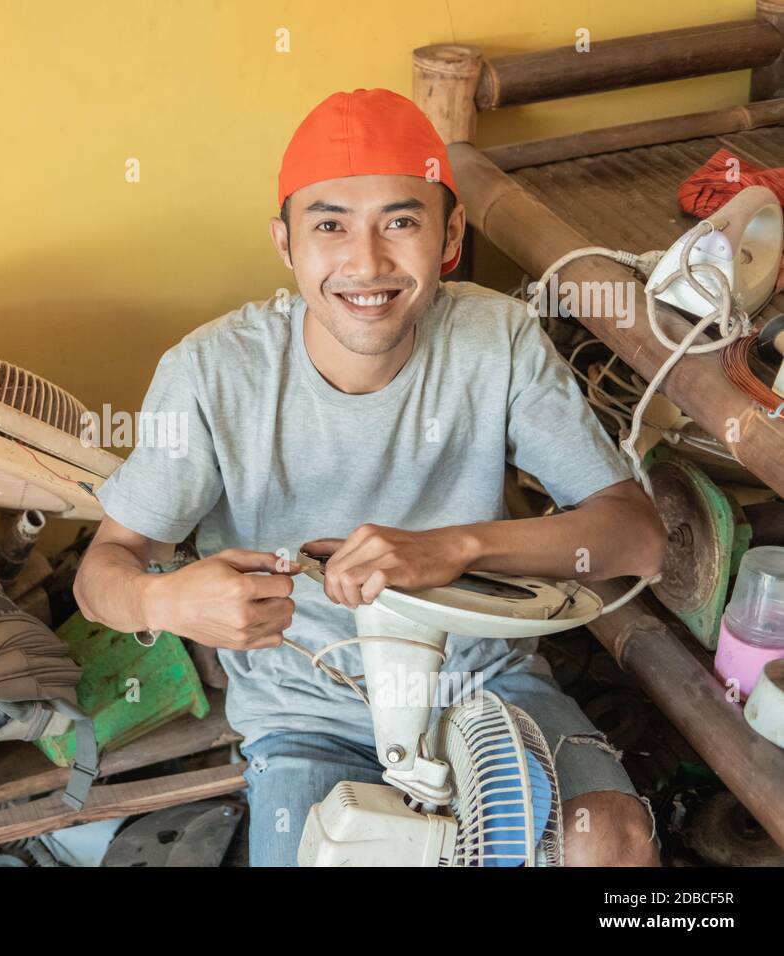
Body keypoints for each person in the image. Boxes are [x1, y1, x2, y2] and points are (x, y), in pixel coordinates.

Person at [72, 89, 668, 866]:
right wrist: (163, 598)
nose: (367, 263)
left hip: (482, 682)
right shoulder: (211, 373)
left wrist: (450, 548)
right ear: (285, 243)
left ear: (450, 235)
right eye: (330, 225)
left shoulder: (499, 340)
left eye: (402, 221)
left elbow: (637, 538)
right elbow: (99, 573)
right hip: (307, 717)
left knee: (608, 844)